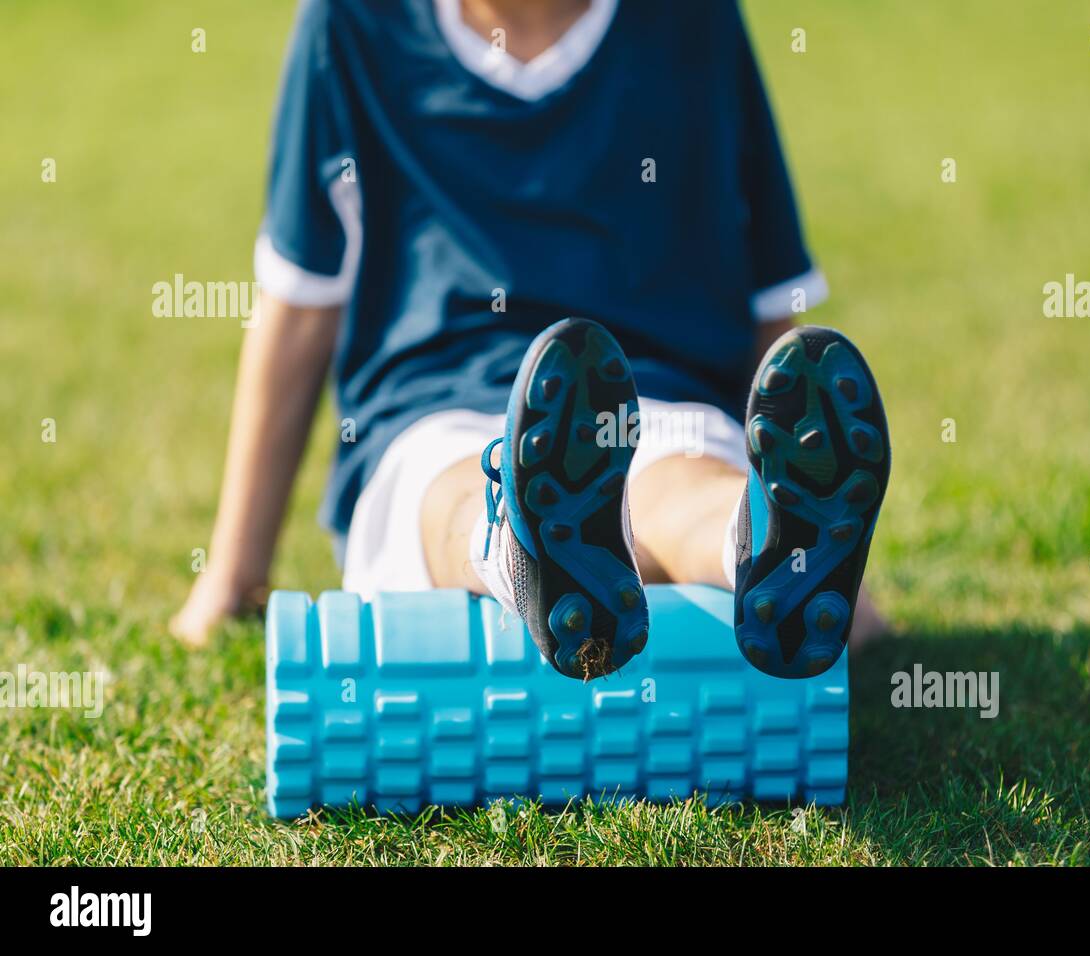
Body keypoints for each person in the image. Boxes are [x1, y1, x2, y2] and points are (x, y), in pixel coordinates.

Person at [171, 0, 891, 680]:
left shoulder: (691, 17)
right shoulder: (355, 21)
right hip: (431, 410)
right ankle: (573, 544)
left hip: (645, 398)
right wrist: (232, 572)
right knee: (491, 489)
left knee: (674, 482)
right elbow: (299, 308)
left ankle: (757, 545)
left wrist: (787, 439)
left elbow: (767, 295)